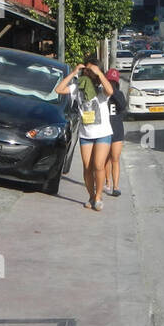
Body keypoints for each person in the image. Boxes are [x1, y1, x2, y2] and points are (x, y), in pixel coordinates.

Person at [55, 56, 113, 211]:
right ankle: (91, 196)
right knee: (87, 167)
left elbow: (110, 91)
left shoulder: (101, 89)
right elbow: (59, 89)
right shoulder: (78, 87)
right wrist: (74, 72)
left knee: (98, 165)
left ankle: (99, 197)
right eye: (86, 69)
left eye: (90, 70)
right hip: (86, 133)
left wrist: (100, 74)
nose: (87, 72)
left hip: (102, 132)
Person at [103, 68, 127, 197]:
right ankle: (107, 182)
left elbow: (123, 107)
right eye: (109, 82)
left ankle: (116, 186)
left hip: (117, 129)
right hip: (104, 129)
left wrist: (115, 92)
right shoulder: (102, 94)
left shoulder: (119, 94)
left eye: (113, 82)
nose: (111, 84)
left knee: (115, 158)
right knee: (106, 158)